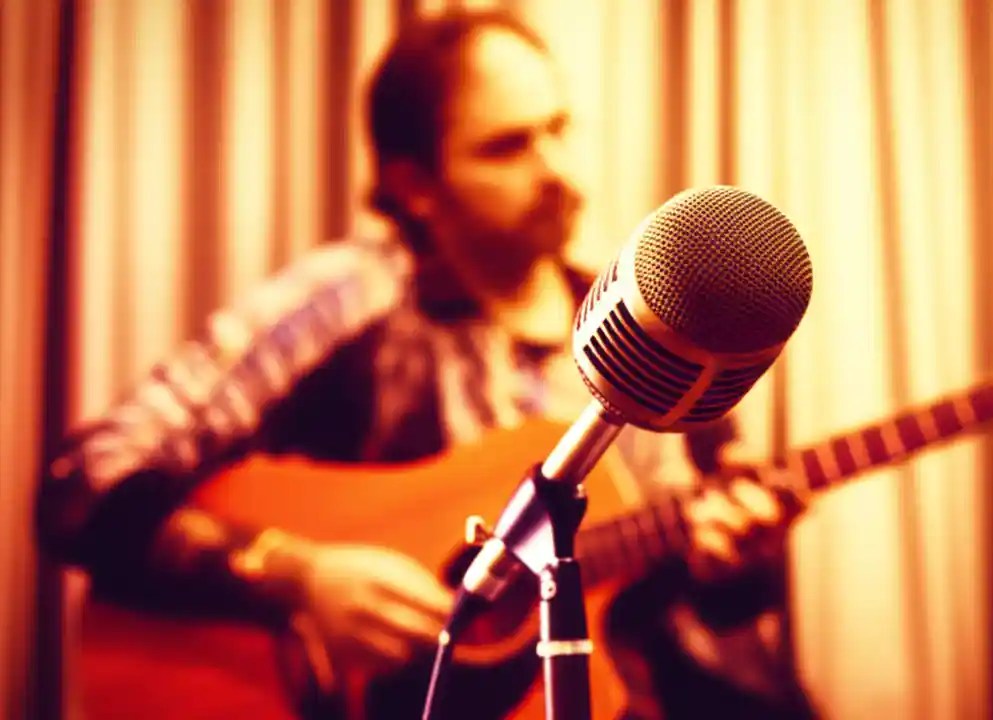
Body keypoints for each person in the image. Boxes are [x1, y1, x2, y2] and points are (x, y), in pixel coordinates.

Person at [36, 9, 815, 719]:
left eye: (559, 128)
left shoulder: (657, 327)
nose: (558, 170)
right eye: (508, 146)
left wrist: (726, 567)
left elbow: (697, 607)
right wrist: (296, 578)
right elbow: (83, 484)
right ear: (414, 185)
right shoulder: (350, 298)